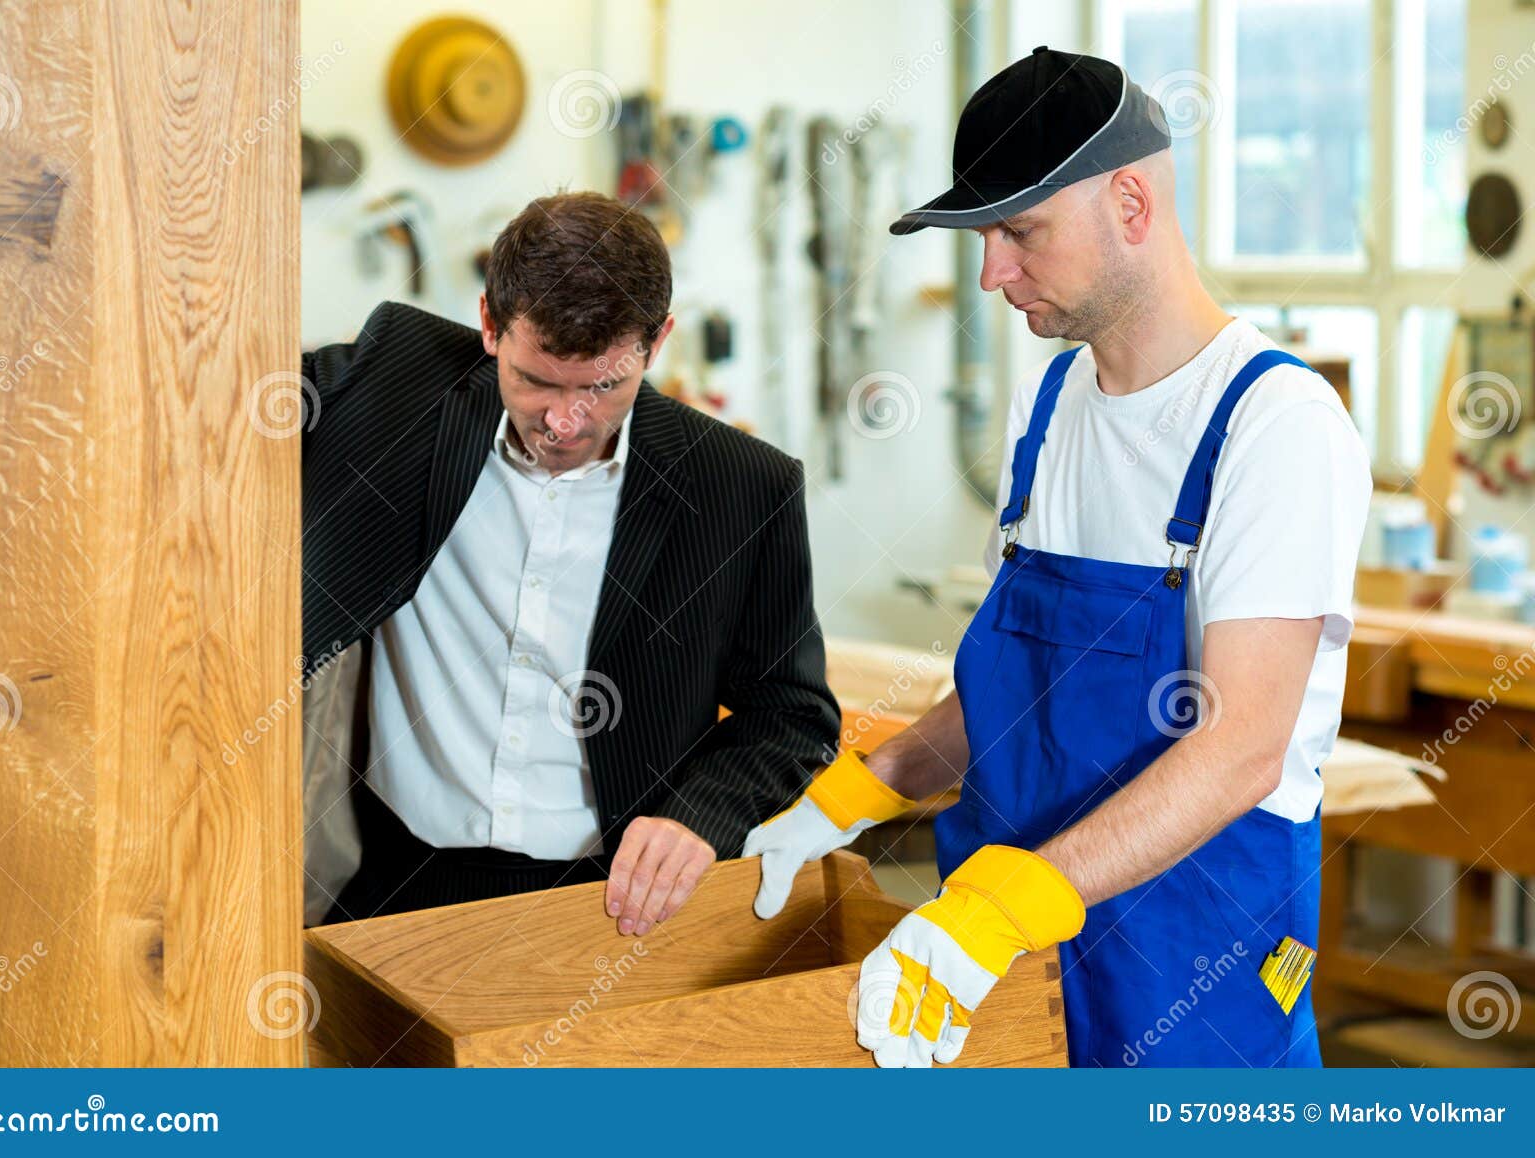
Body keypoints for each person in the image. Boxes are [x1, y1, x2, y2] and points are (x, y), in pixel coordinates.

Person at [744, 47, 1370, 1068]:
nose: (991, 272)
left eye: (1017, 231)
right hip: (1018, 947)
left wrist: (997, 909)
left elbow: (1242, 746)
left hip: (1193, 956)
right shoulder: (1046, 412)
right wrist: (856, 794)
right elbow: (1016, 704)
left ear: (1130, 203)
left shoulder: (1273, 424)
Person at [301, 192, 839, 931]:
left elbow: (791, 714)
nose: (564, 422)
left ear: (658, 343)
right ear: (490, 324)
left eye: (601, 387)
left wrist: (697, 819)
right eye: (537, 380)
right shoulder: (397, 378)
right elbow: (202, 392)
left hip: (612, 900)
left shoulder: (744, 487)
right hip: (390, 879)